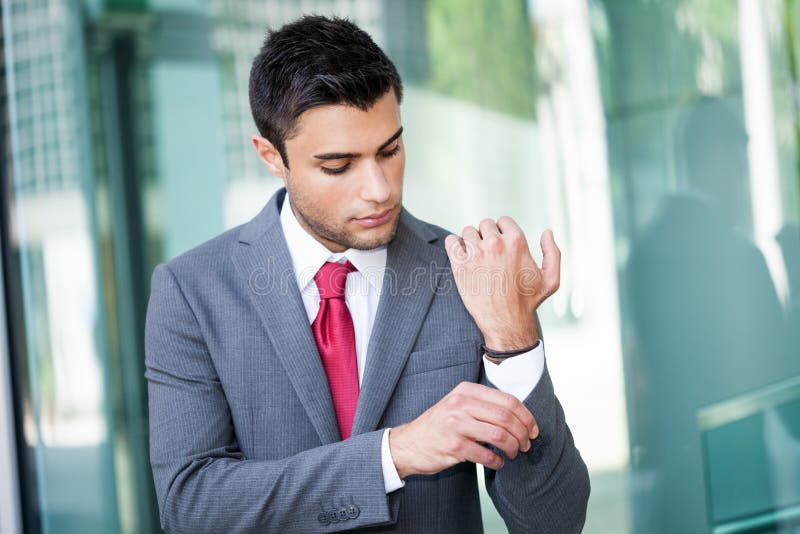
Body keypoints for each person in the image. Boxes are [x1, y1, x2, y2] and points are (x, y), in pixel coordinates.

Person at [145, 15, 589, 533]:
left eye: (390, 150)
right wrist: (393, 454)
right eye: (339, 166)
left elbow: (554, 521)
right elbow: (191, 508)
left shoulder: (460, 274)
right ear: (271, 157)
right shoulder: (192, 293)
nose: (378, 189)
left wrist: (514, 341)